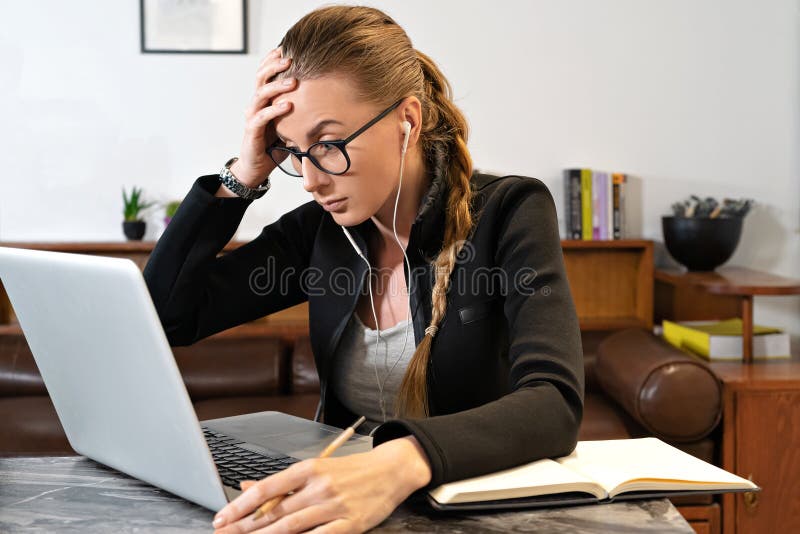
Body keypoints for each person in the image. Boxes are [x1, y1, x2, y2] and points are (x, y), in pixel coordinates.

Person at [142, 5, 584, 533]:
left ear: (408, 120)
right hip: (336, 511)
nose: (309, 178)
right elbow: (168, 316)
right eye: (295, 151)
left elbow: (554, 400)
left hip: (460, 511)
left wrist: (397, 464)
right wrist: (244, 173)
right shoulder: (319, 232)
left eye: (328, 145)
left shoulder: (511, 211)